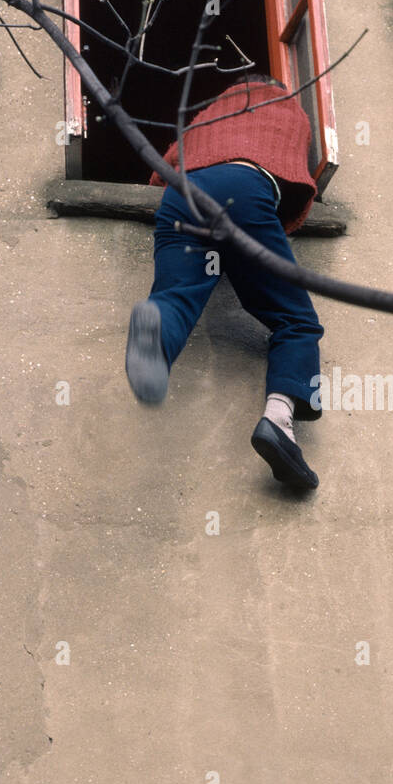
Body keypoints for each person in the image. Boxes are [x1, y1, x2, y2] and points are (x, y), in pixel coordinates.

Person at [125, 72, 323, 489]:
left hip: (184, 190)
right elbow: (298, 184)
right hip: (246, 188)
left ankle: (155, 338)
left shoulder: (207, 116)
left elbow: (163, 169)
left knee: (177, 293)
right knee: (295, 319)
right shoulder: (291, 113)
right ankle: (279, 421)